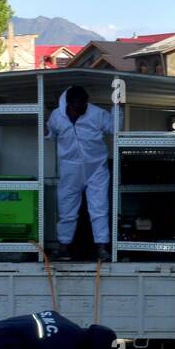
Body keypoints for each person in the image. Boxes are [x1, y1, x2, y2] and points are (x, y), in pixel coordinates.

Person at [45, 85, 113, 261]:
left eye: (84, 105)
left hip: (97, 167)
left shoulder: (97, 114)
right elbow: (50, 134)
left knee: (99, 208)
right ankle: (64, 247)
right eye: (77, 107)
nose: (82, 109)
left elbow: (114, 128)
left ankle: (102, 248)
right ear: (68, 104)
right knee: (67, 209)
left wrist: (118, 108)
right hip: (69, 168)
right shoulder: (56, 117)